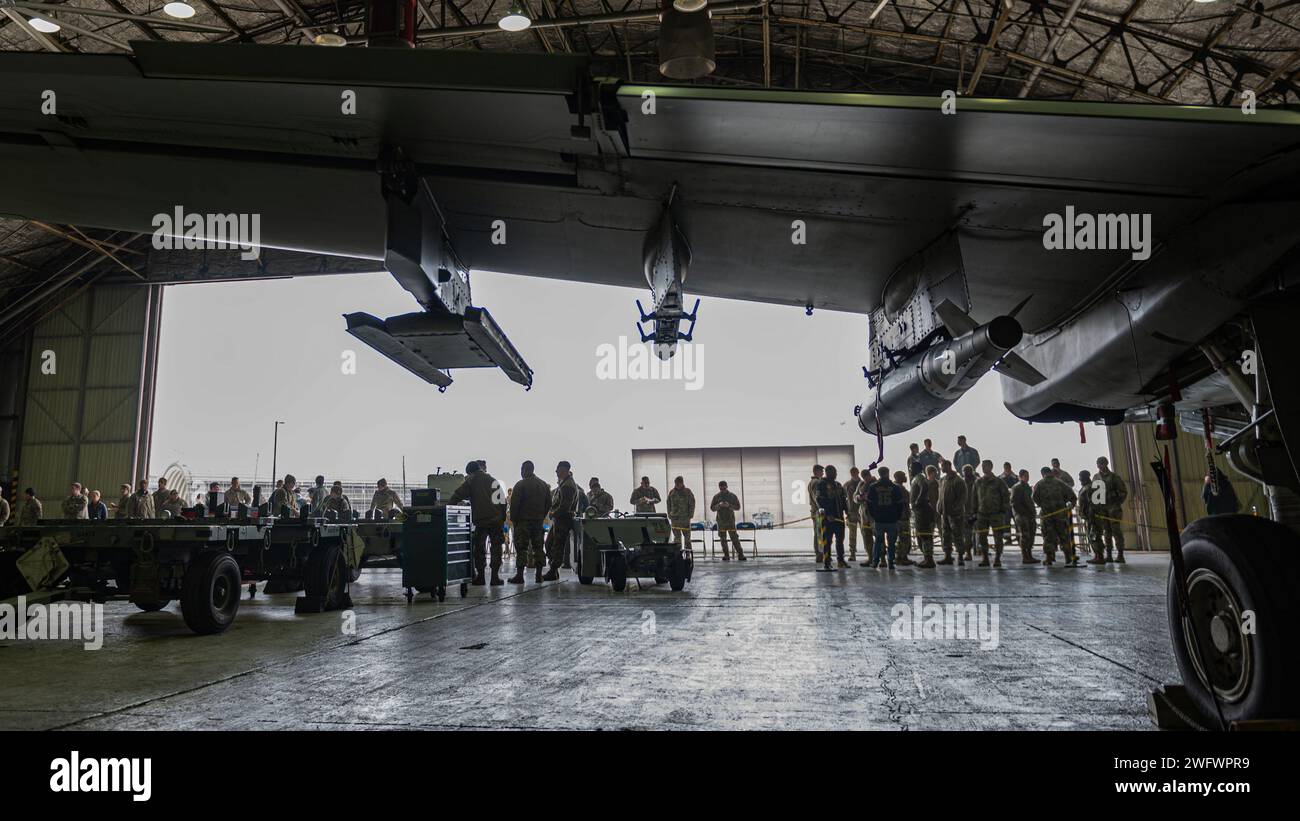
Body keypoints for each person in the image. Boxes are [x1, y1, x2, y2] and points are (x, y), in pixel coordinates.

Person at [450, 461, 507, 586]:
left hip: (481, 522)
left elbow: (457, 494)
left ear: (470, 472)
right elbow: (503, 501)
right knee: (496, 549)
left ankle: (481, 577)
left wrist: (447, 508)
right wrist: (502, 518)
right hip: (496, 521)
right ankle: (494, 578)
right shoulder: (493, 480)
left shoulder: (472, 480)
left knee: (479, 550)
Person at [508, 461, 550, 584]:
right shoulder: (543, 485)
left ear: (525, 470)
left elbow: (514, 505)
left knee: (522, 548)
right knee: (538, 548)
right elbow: (549, 504)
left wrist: (514, 520)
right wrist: (541, 516)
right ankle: (538, 575)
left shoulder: (520, 485)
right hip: (537, 522)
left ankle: (520, 575)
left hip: (522, 522)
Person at [1033, 466, 1078, 566]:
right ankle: (1068, 557)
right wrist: (1067, 505)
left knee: (1048, 537)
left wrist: (1043, 505)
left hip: (1047, 515)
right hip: (1061, 515)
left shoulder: (1039, 484)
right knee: (1063, 536)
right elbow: (1073, 497)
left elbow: (1034, 497)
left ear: (1042, 474)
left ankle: (1049, 558)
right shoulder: (1060, 483)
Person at [543, 461, 580, 580]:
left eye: (558, 470)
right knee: (549, 545)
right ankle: (553, 570)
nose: (556, 472)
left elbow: (564, 506)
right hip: (559, 520)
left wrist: (553, 513)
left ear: (564, 470)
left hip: (563, 520)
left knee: (557, 546)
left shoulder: (568, 485)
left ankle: (553, 570)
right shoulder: (564, 483)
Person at [865, 466, 906, 569]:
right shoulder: (895, 487)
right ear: (888, 473)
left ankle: (875, 562)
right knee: (891, 543)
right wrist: (897, 516)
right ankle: (891, 562)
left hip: (879, 519)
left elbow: (869, 504)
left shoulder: (873, 487)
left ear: (879, 474)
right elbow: (900, 504)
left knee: (878, 542)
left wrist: (874, 516)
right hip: (892, 519)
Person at [973, 460, 1011, 567]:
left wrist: (1003, 510)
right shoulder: (978, 482)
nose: (984, 468)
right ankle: (985, 558)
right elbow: (974, 498)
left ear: (991, 467)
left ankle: (997, 558)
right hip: (982, 514)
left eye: (986, 466)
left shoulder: (999, 482)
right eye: (983, 466)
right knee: (982, 537)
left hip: (996, 514)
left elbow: (1006, 497)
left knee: (998, 537)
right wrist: (974, 512)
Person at [814, 465, 849, 569]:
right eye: (834, 472)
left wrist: (847, 512)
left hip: (839, 518)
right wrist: (828, 514)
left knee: (840, 540)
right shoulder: (821, 484)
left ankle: (841, 560)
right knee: (827, 541)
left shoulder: (838, 485)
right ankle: (827, 562)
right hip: (828, 519)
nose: (835, 474)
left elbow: (843, 500)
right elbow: (819, 500)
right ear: (828, 473)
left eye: (836, 472)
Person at [1094, 456, 1128, 563]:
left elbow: (1123, 492)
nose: (1100, 466)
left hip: (1113, 508)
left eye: (1102, 463)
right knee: (1106, 532)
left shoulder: (1114, 477)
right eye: (1099, 464)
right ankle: (1108, 554)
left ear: (1106, 463)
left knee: (1116, 532)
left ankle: (1120, 555)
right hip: (1102, 508)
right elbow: (1094, 492)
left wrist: (1116, 502)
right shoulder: (1096, 477)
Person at [936, 460, 967, 565]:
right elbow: (940, 496)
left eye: (943, 466)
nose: (941, 468)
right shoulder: (942, 480)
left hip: (955, 515)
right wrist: (939, 507)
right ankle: (947, 556)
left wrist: (955, 509)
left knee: (958, 535)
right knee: (946, 535)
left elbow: (962, 498)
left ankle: (960, 556)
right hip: (944, 513)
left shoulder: (958, 481)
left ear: (949, 466)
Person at [909, 465, 939, 568]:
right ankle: (927, 558)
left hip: (923, 511)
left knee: (925, 534)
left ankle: (929, 559)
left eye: (911, 468)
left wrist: (918, 500)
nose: (910, 470)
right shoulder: (916, 479)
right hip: (919, 511)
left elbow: (924, 487)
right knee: (922, 534)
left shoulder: (920, 478)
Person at [709, 480, 746, 561]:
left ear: (726, 486)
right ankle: (726, 555)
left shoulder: (732, 496)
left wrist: (729, 505)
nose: (722, 488)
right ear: (719, 487)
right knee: (723, 539)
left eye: (723, 487)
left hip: (730, 521)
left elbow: (738, 507)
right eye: (721, 487)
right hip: (721, 521)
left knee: (734, 538)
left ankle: (740, 554)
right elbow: (712, 508)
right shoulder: (716, 497)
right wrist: (719, 505)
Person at [1011, 470, 1039, 564]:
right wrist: (1023, 512)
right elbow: (1014, 503)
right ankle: (1025, 556)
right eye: (1025, 476)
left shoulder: (1027, 487)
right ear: (1020, 476)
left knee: (1031, 535)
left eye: (1028, 475)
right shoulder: (1017, 487)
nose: (1027, 477)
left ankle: (1029, 554)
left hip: (1030, 515)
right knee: (1025, 535)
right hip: (1022, 515)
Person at [1078, 469, 1104, 564]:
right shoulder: (1088, 487)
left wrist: (1091, 517)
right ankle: (1097, 555)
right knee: (1093, 536)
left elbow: (1092, 504)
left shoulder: (1089, 488)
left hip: (1093, 517)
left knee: (1095, 536)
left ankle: (1099, 556)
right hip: (1090, 517)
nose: (1080, 480)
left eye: (1081, 478)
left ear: (1085, 478)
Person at [667, 476, 696, 553]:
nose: (677, 485)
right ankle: (678, 555)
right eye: (676, 483)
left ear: (682, 483)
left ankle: (688, 555)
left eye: (678, 483)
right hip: (675, 519)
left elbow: (692, 504)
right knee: (677, 539)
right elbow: (668, 504)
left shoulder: (687, 492)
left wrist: (691, 514)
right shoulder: (672, 492)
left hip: (685, 519)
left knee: (687, 539)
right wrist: (669, 514)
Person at [843, 467, 865, 562]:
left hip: (863, 512)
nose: (854, 473)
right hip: (852, 512)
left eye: (855, 472)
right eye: (852, 472)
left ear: (858, 472)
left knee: (866, 533)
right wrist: (846, 512)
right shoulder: (847, 485)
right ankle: (852, 553)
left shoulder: (864, 484)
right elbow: (844, 499)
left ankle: (869, 553)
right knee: (852, 534)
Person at [892, 471, 914, 566]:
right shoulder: (899, 488)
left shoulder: (896, 487)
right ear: (898, 477)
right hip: (902, 516)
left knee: (902, 538)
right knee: (903, 538)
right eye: (903, 475)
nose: (905, 477)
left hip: (900, 516)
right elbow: (909, 498)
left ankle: (902, 557)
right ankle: (900, 557)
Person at [961, 463, 978, 561]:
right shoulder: (960, 482)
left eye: (968, 471)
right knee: (967, 534)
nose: (966, 473)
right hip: (965, 512)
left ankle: (979, 550)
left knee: (980, 533)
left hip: (976, 511)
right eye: (965, 471)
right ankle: (968, 553)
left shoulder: (978, 482)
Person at [807, 464, 825, 562]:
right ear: (816, 471)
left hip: (815, 511)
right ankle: (819, 554)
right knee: (819, 533)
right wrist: (821, 509)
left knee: (818, 533)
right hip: (818, 512)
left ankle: (820, 553)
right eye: (821, 471)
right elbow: (816, 498)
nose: (822, 473)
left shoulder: (812, 482)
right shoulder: (816, 482)